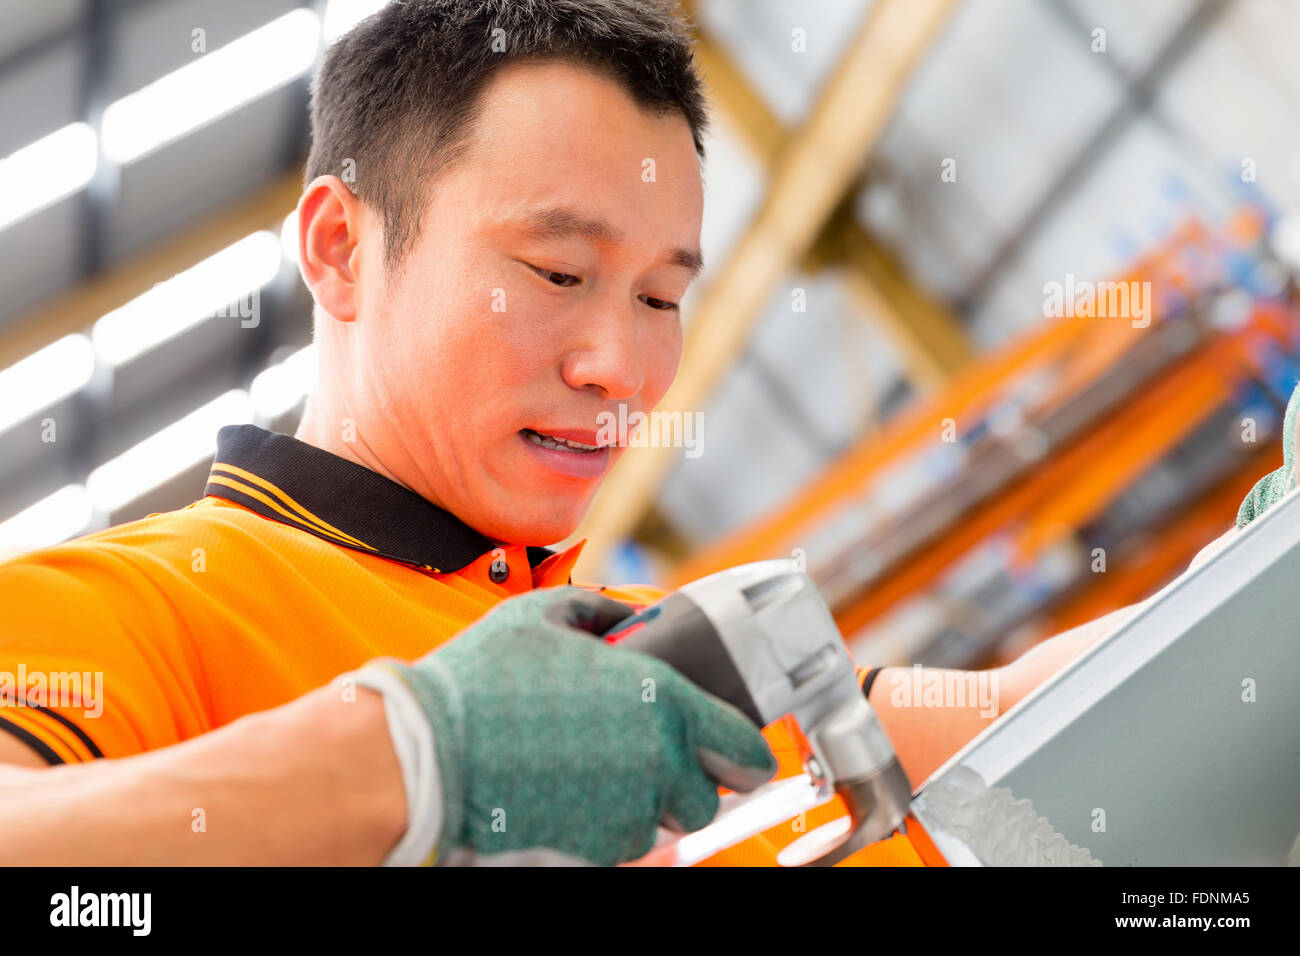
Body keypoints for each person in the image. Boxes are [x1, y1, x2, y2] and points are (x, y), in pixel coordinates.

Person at [0, 0, 1279, 866]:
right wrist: (411, 748)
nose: (619, 363)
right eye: (557, 272)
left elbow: (991, 715)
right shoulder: (133, 610)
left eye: (664, 297)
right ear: (342, 245)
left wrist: (1263, 573)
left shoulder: (640, 663)